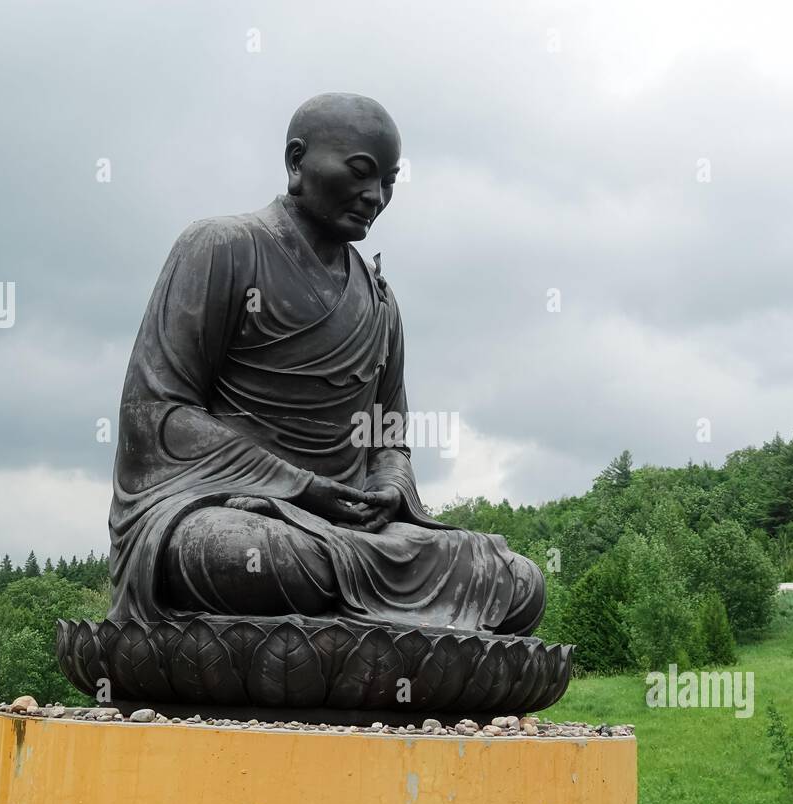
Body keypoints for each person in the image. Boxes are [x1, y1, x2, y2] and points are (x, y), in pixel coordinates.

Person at [107, 93, 545, 632]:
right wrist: (296, 485)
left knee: (516, 581)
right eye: (361, 173)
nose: (375, 196)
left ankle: (356, 628)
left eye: (388, 181)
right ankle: (382, 631)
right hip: (238, 512)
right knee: (242, 555)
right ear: (297, 162)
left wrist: (391, 486)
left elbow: (387, 433)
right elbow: (156, 418)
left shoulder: (379, 299)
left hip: (350, 529)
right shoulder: (222, 246)